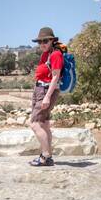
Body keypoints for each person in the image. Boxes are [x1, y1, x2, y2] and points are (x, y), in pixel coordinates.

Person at [29, 27, 64, 167]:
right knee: (44, 125)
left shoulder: (55, 55)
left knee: (35, 124)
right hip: (40, 90)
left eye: (45, 41)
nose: (42, 44)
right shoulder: (46, 54)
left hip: (46, 91)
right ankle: (48, 157)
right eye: (40, 42)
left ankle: (45, 156)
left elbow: (55, 77)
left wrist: (47, 97)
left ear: (52, 40)